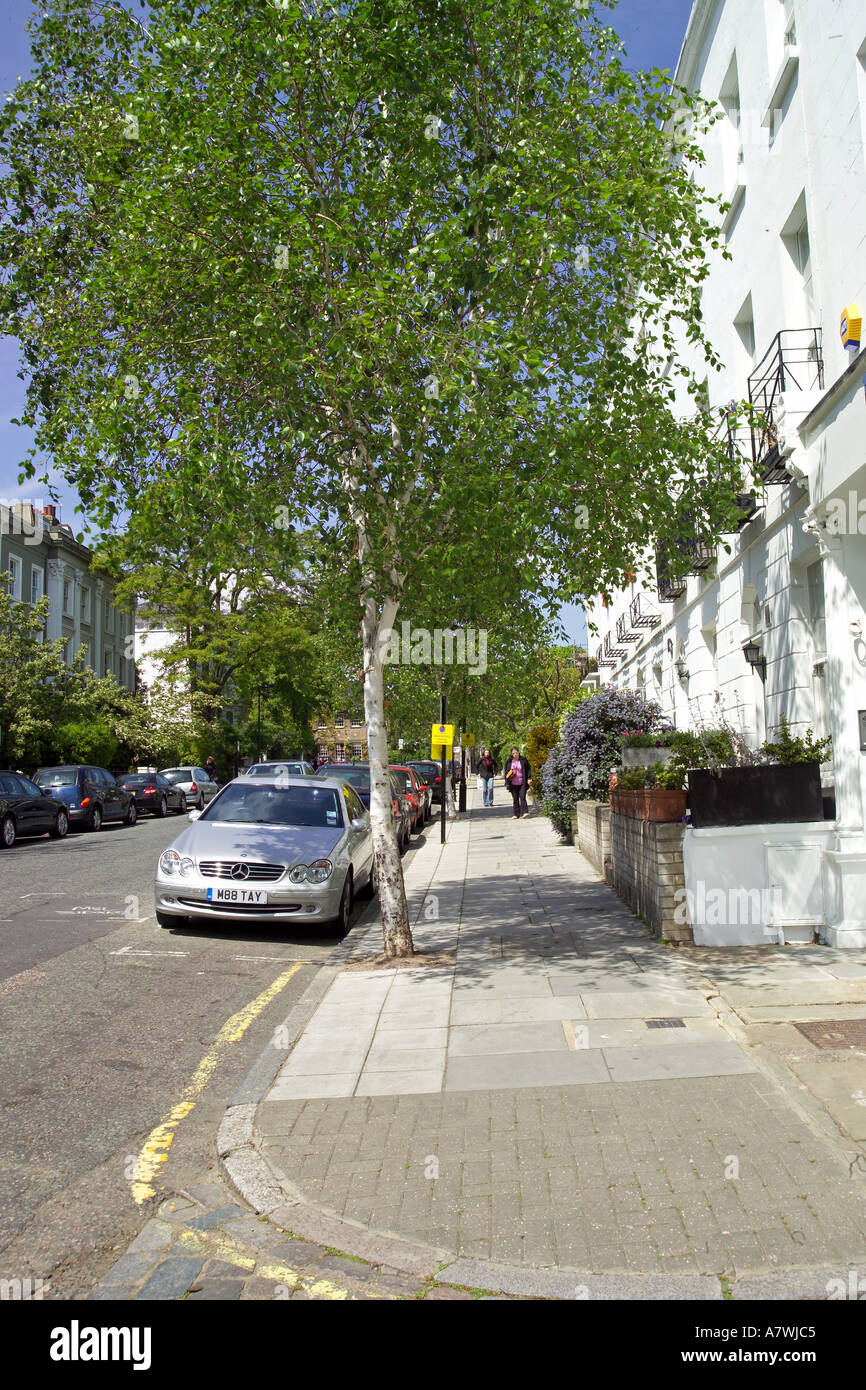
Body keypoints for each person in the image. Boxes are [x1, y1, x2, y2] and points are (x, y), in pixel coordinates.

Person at [503, 746, 531, 819]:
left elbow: (528, 769)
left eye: (516, 753)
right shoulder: (509, 761)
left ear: (519, 752)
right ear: (511, 754)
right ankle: (516, 814)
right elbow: (506, 773)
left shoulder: (523, 760)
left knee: (522, 797)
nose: (515, 754)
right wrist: (506, 782)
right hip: (513, 783)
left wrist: (529, 778)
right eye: (513, 753)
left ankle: (525, 812)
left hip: (522, 782)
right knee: (515, 798)